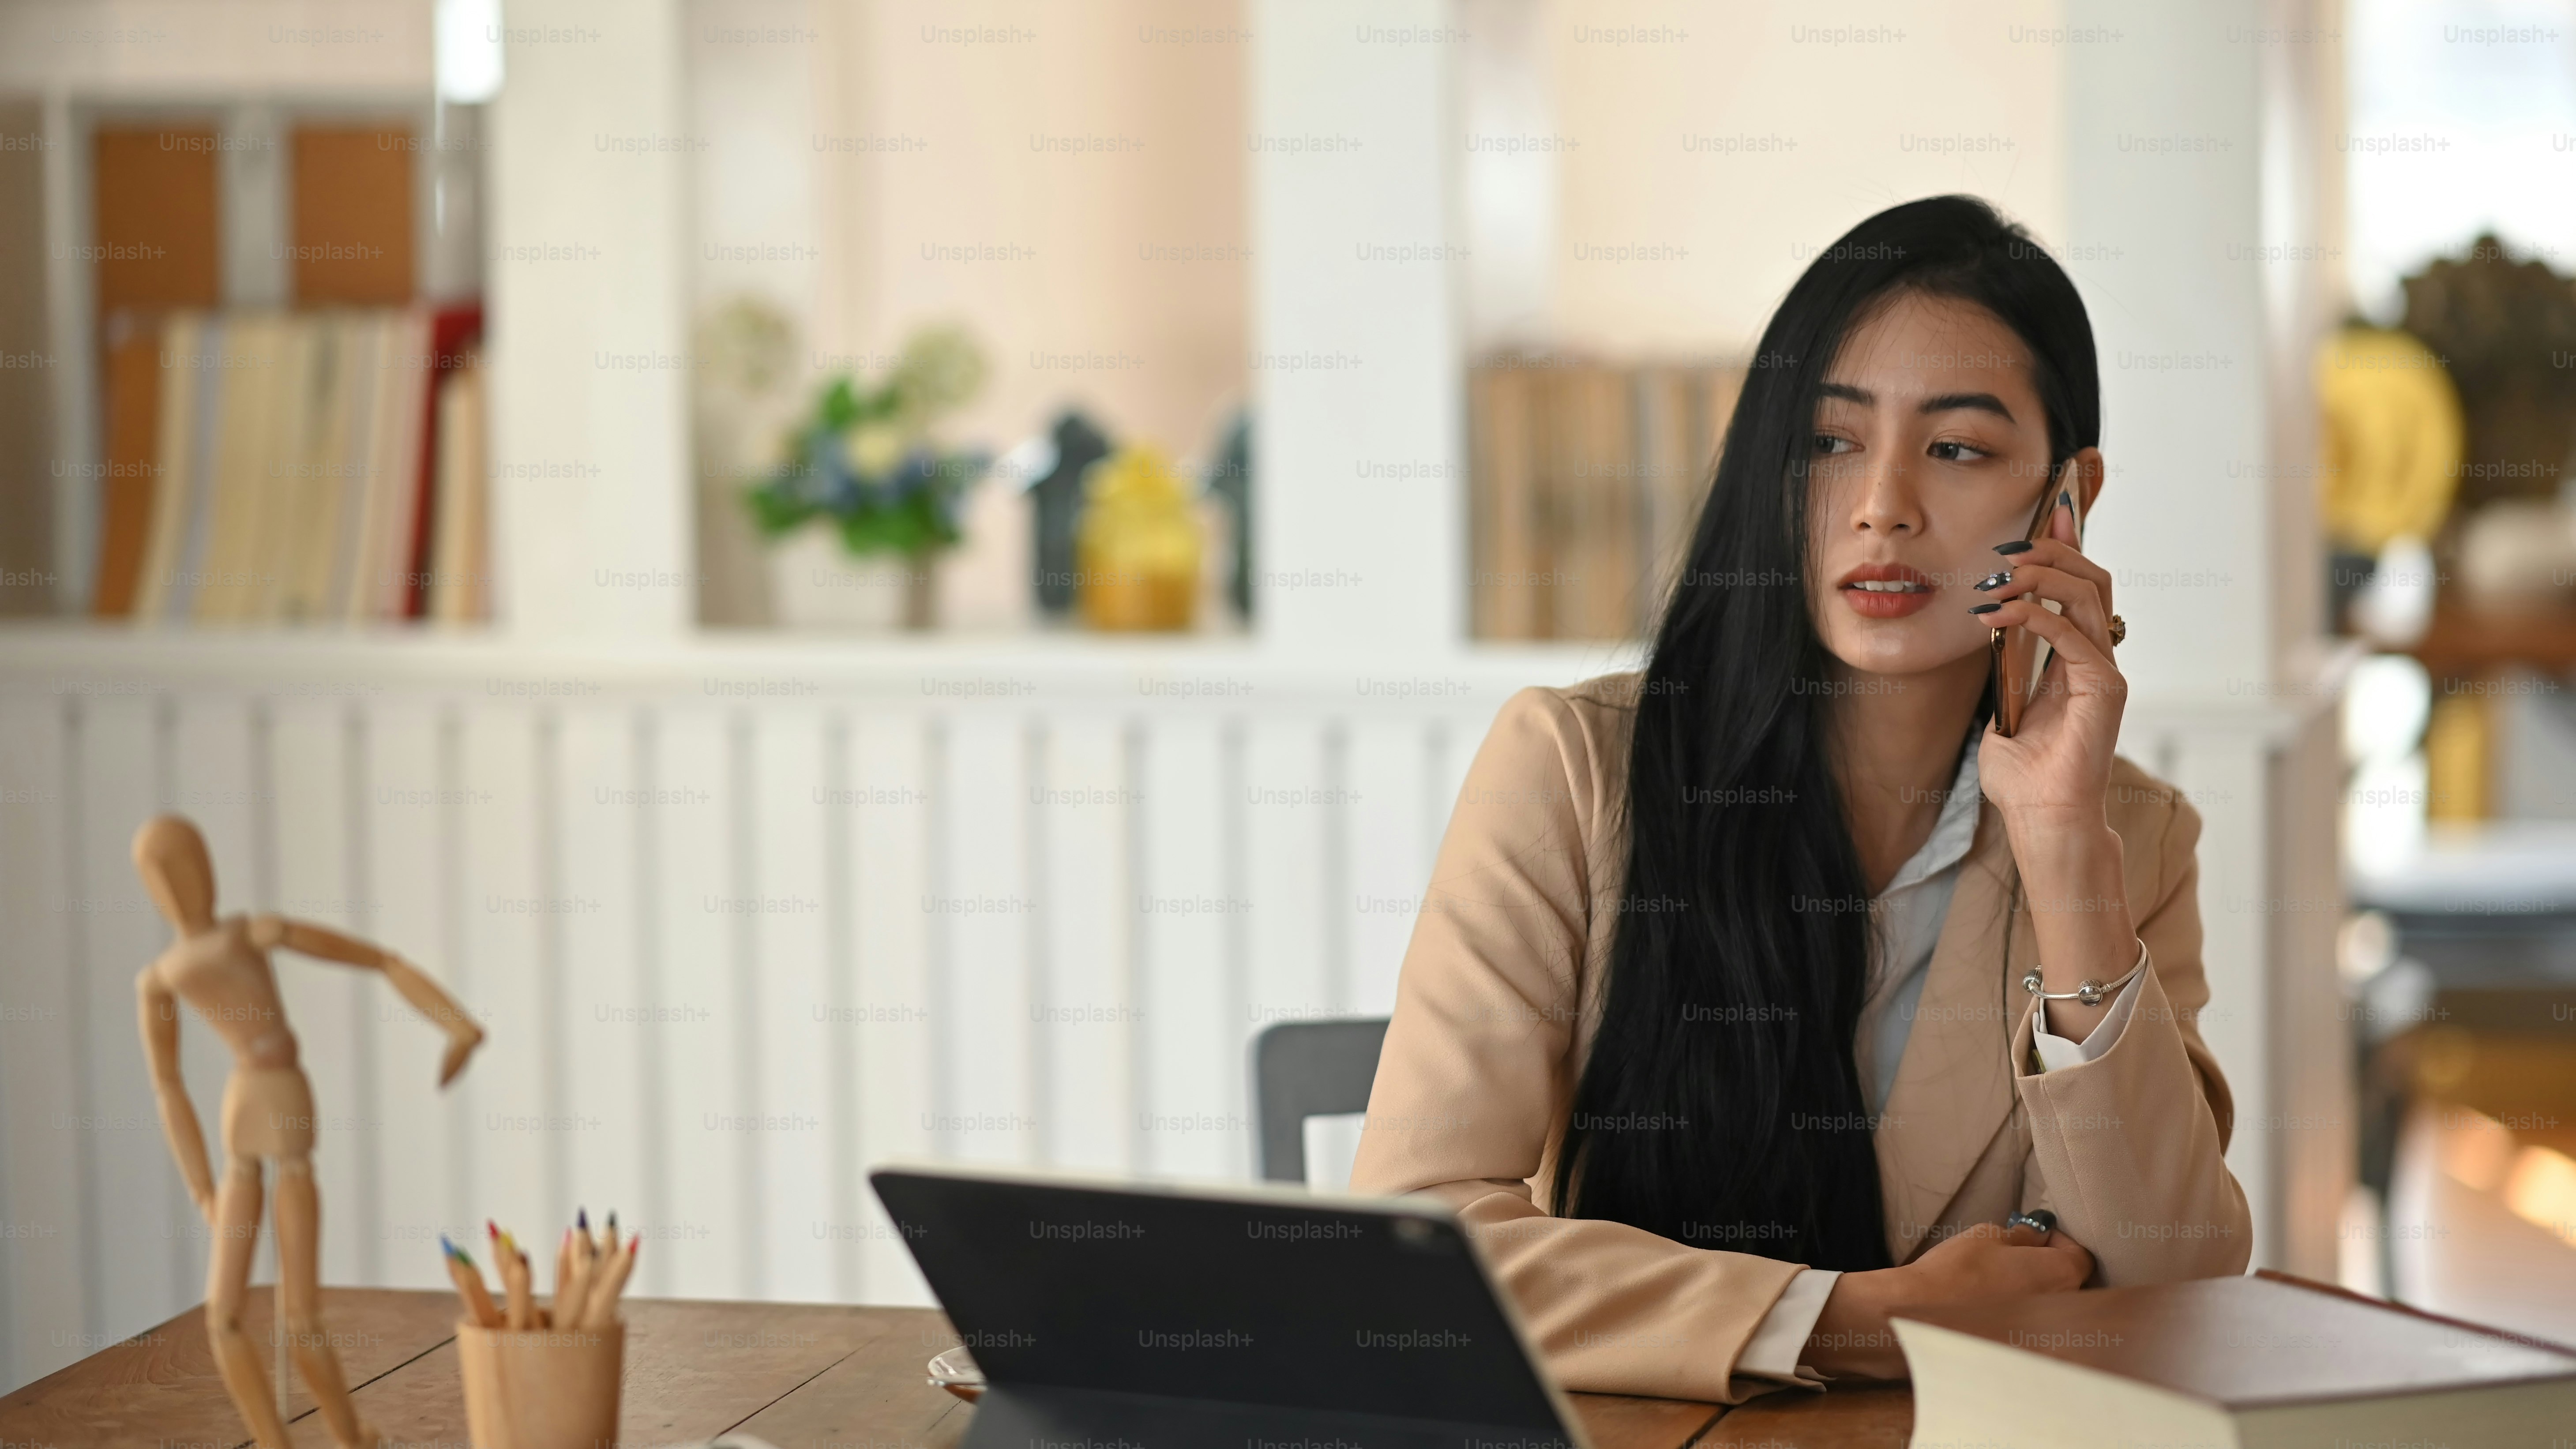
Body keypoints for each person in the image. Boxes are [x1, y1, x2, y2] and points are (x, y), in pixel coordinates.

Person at [1349, 195, 2250, 1403]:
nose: (1882, 504)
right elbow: (1413, 1251)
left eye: (1957, 448)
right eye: (1828, 442)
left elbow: (2171, 1285)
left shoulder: (2126, 834)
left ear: (2067, 500)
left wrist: (2060, 846)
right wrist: (1851, 1318)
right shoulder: (1569, 767)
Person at [134, 813, 484, 1449]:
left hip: (268, 1101)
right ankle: (299, 1440)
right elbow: (168, 1088)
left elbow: (379, 961)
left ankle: (347, 1436)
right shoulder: (177, 970)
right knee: (238, 1317)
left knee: (288, 1316)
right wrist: (202, 1190)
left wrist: (459, 1027)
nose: (180, 885)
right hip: (256, 1105)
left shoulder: (212, 951)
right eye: (168, 873)